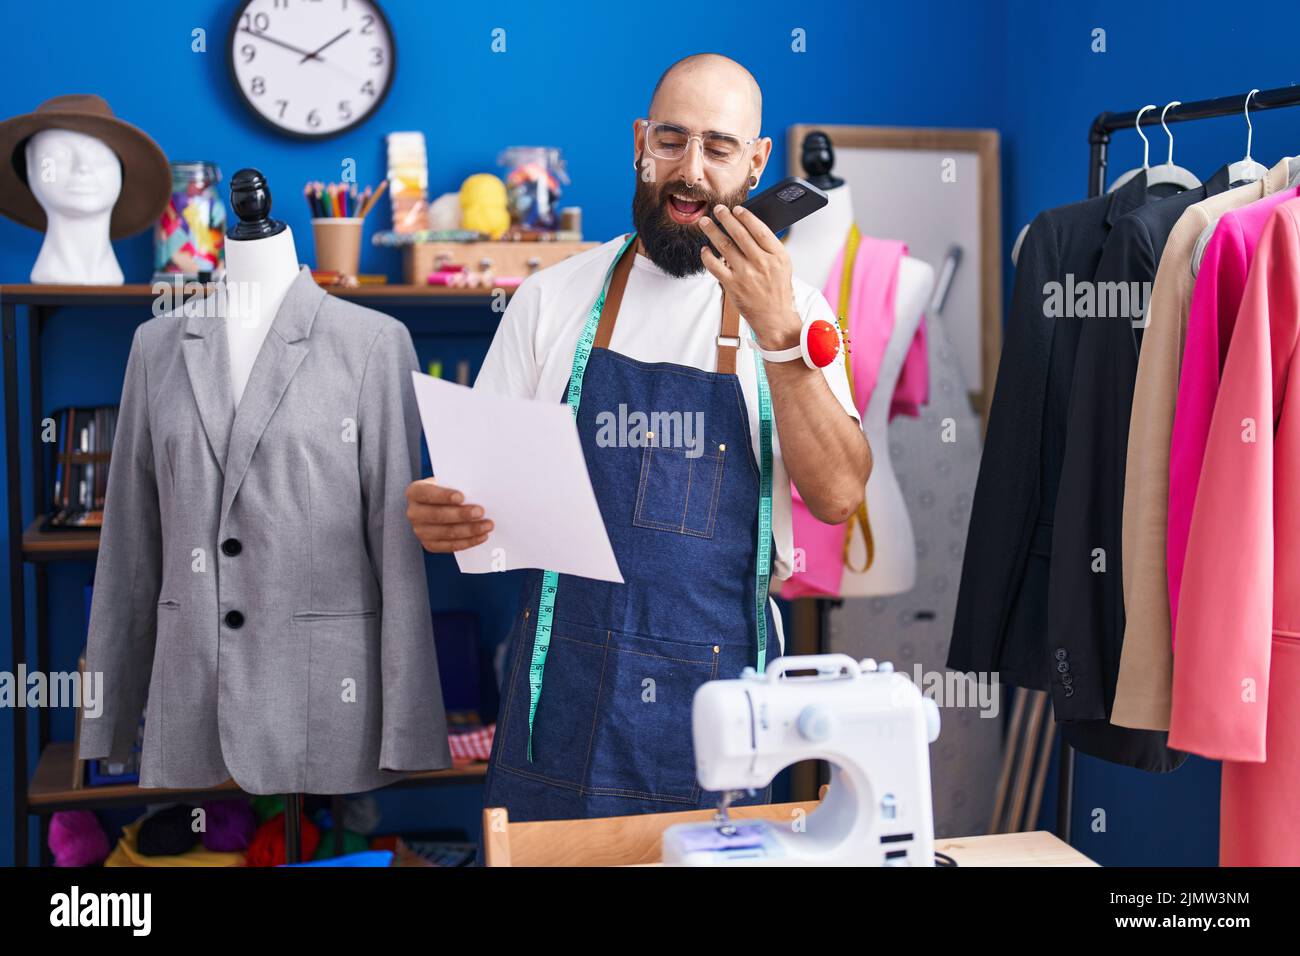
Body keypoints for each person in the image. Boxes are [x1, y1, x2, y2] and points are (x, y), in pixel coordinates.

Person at [406, 53, 870, 830]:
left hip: (718, 717)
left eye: (719, 148)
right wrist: (436, 513)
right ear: (639, 142)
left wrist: (782, 338)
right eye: (671, 139)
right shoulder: (552, 299)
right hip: (559, 704)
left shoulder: (799, 310)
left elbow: (838, 495)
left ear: (756, 163)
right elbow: (470, 492)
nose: (689, 172)